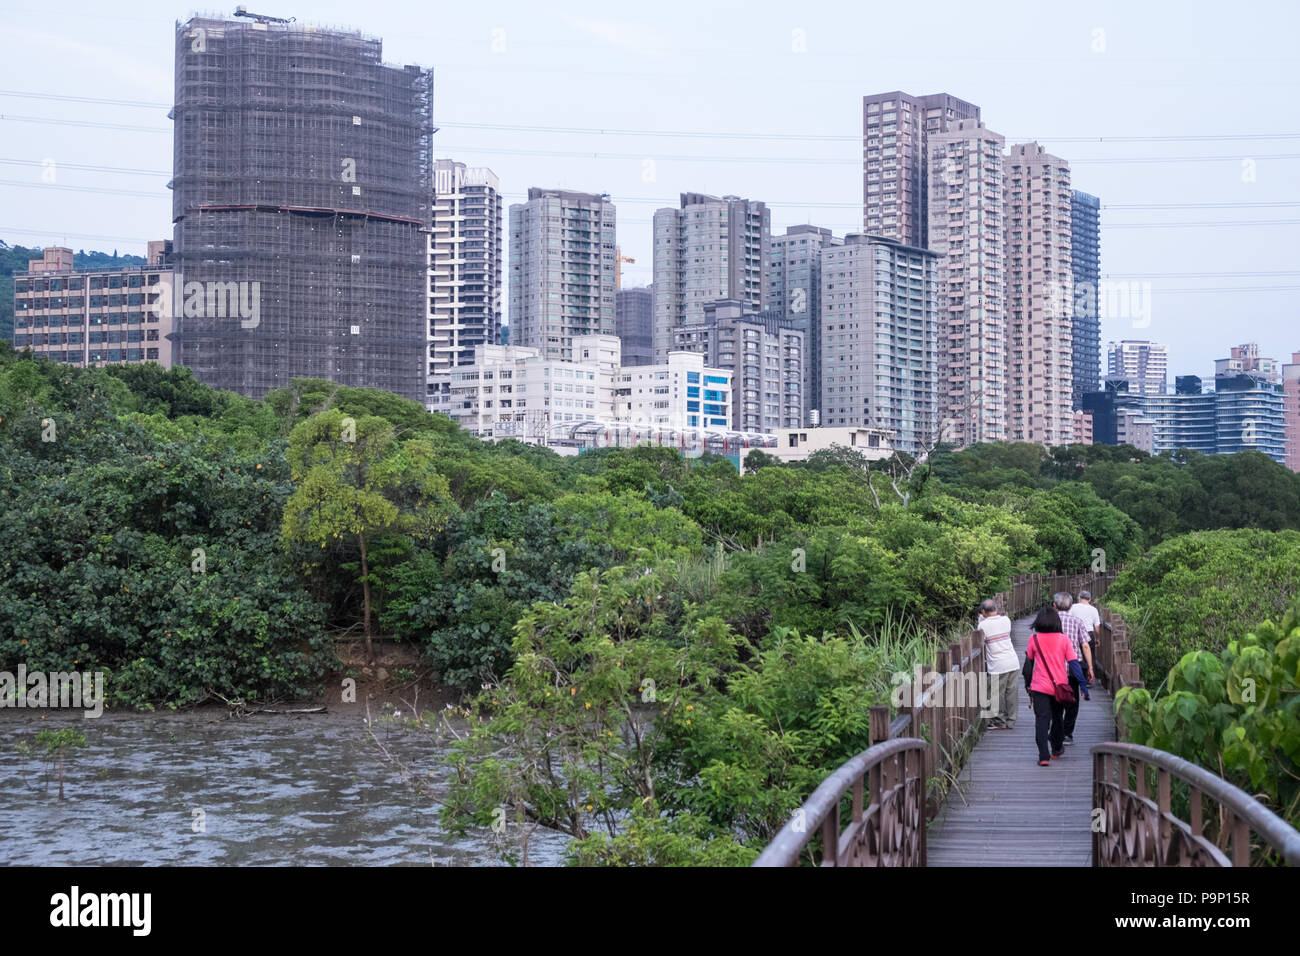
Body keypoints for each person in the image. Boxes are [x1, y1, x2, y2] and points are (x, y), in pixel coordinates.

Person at [1022, 607, 1077, 766]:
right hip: (1059, 686)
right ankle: (1057, 748)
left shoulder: (1034, 639)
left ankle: (1043, 756)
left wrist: (1028, 685)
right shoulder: (1064, 639)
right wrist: (1081, 684)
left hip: (1039, 687)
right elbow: (1073, 663)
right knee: (1058, 718)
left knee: (1042, 720)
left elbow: (1028, 666)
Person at [1054, 592, 1093, 745]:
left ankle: (1056, 728)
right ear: (1071, 606)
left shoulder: (1050, 622)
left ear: (1055, 606)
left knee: (1055, 699)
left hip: (1054, 668)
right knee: (1073, 700)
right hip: (1073, 667)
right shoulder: (1077, 621)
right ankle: (1067, 733)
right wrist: (1090, 667)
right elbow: (1085, 644)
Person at [977, 599, 1019, 730]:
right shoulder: (1006, 620)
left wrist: (980, 622)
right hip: (1013, 660)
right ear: (996, 608)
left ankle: (999, 721)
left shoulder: (983, 626)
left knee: (996, 693)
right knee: (1011, 692)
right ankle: (1011, 720)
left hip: (997, 664)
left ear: (983, 612)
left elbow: (981, 641)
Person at [1069, 590, 1102, 676]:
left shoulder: (1073, 607)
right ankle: (1088, 677)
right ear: (1090, 599)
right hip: (1089, 634)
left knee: (1076, 655)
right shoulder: (1094, 610)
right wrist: (1097, 638)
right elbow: (1097, 626)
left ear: (1079, 598)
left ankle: (1076, 675)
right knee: (1090, 656)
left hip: (1075, 634)